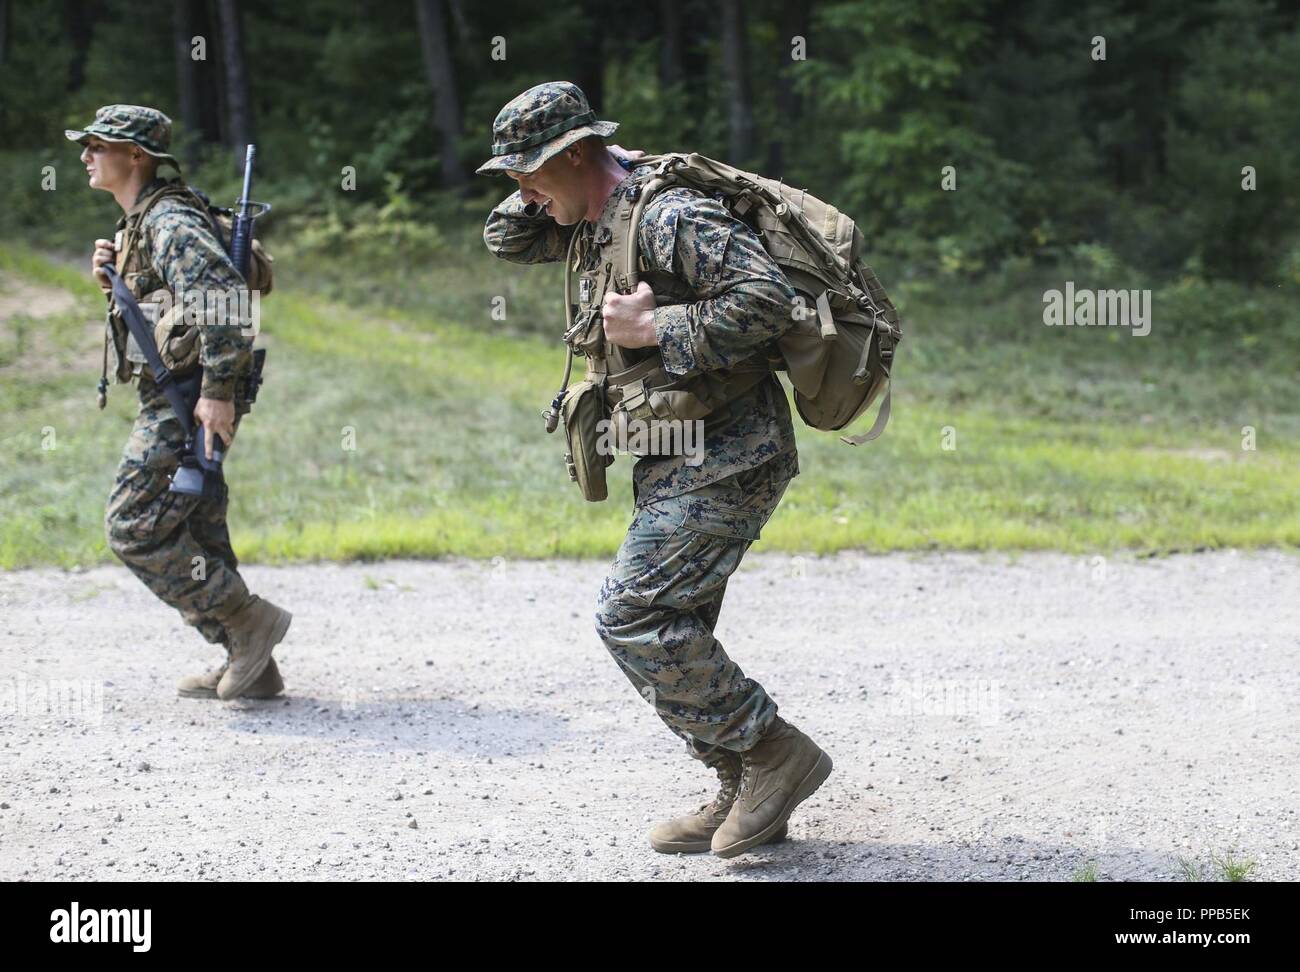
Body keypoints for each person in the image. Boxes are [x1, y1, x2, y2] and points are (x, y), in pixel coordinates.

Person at [480, 82, 831, 858]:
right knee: (681, 627)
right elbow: (502, 238)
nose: (520, 190)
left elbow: (768, 301)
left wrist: (655, 324)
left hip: (731, 450)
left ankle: (776, 754)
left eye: (529, 171)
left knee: (634, 616)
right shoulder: (592, 212)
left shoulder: (669, 214)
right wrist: (551, 182)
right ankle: (741, 782)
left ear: (576, 154)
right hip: (677, 450)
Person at [67, 104, 290, 701]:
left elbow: (224, 301)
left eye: (97, 145)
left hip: (188, 398)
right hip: (178, 393)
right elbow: (169, 301)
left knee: (133, 527)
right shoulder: (144, 223)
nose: (86, 155)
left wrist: (218, 395)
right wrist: (117, 279)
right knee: (198, 526)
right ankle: (251, 663)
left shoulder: (167, 221)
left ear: (135, 155)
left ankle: (249, 621)